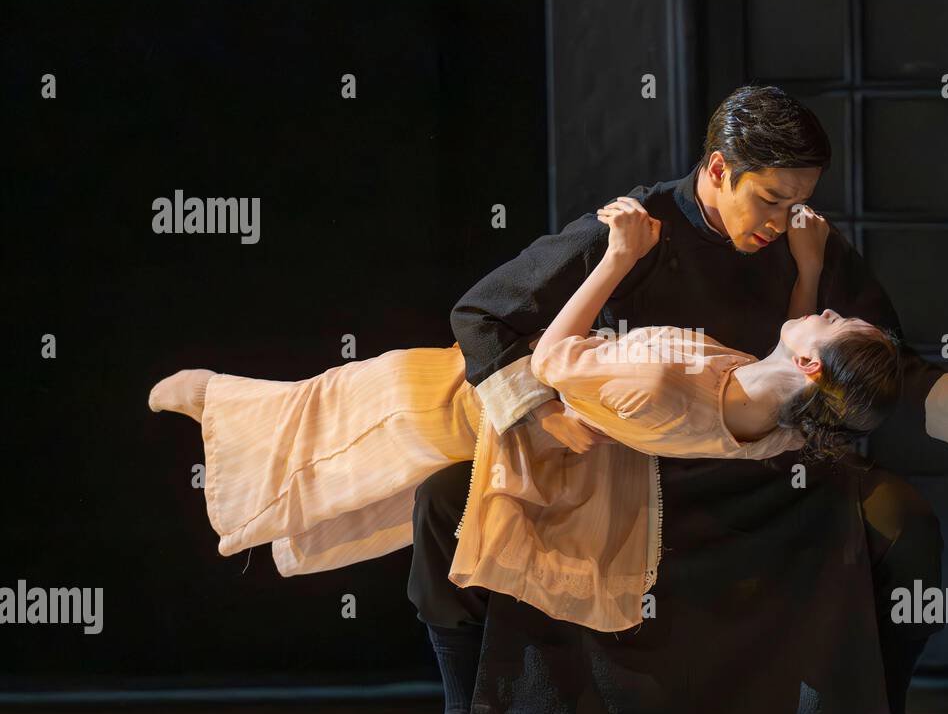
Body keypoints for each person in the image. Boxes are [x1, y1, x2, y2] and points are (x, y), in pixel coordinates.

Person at [406, 84, 948, 714]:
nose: (783, 219)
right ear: (716, 170)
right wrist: (543, 415)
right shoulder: (632, 229)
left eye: (798, 202)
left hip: (769, 468)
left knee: (903, 520)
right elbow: (483, 316)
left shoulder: (803, 237)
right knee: (446, 500)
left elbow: (870, 356)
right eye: (769, 199)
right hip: (626, 473)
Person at [146, 198, 904, 635]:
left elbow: (550, 362)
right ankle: (240, 470)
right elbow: (803, 369)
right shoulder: (783, 408)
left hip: (480, 408)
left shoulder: (666, 381)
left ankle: (221, 405)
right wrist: (807, 269)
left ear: (812, 364)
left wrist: (618, 254)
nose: (829, 310)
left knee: (340, 416)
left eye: (835, 321)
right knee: (352, 469)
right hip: (531, 426)